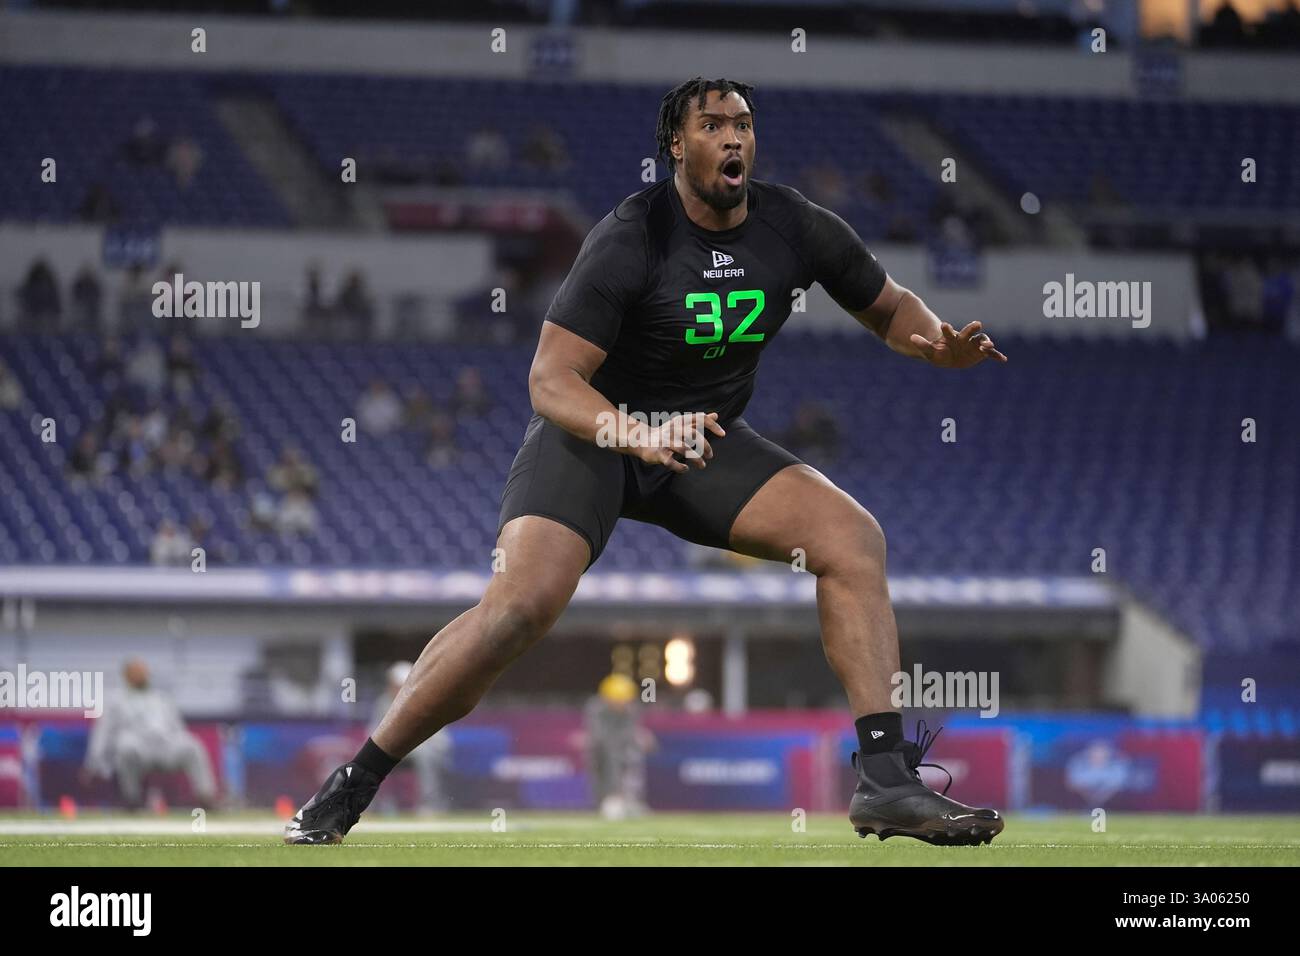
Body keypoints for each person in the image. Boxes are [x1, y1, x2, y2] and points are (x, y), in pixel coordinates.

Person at [285, 77, 1008, 847]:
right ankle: (354, 782)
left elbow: (890, 305)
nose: (734, 138)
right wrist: (632, 433)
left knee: (853, 540)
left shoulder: (795, 224)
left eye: (744, 124)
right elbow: (549, 380)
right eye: (713, 125)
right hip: (593, 439)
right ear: (677, 145)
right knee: (520, 609)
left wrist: (931, 342)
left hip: (702, 443)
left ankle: (886, 780)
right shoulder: (632, 237)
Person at [81, 659, 216, 810]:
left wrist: (177, 738)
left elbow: (178, 727)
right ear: (127, 676)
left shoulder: (161, 698)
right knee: (125, 747)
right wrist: (92, 763)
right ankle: (132, 799)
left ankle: (206, 797)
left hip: (166, 746)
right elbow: (103, 731)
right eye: (137, 672)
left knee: (192, 745)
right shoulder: (115, 700)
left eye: (143, 672)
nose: (141, 675)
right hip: (138, 748)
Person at [369, 662, 452, 814]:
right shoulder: (383, 703)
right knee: (371, 757)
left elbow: (440, 740)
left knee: (423, 754)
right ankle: (374, 806)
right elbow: (374, 732)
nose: (397, 690)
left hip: (422, 751)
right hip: (394, 751)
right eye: (395, 685)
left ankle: (429, 805)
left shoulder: (427, 700)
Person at [583, 674, 654, 819]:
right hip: (601, 749)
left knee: (632, 756)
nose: (622, 704)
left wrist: (641, 738)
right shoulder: (596, 708)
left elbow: (630, 732)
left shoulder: (631, 709)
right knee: (608, 756)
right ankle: (611, 799)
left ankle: (630, 800)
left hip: (624, 747)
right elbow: (599, 735)